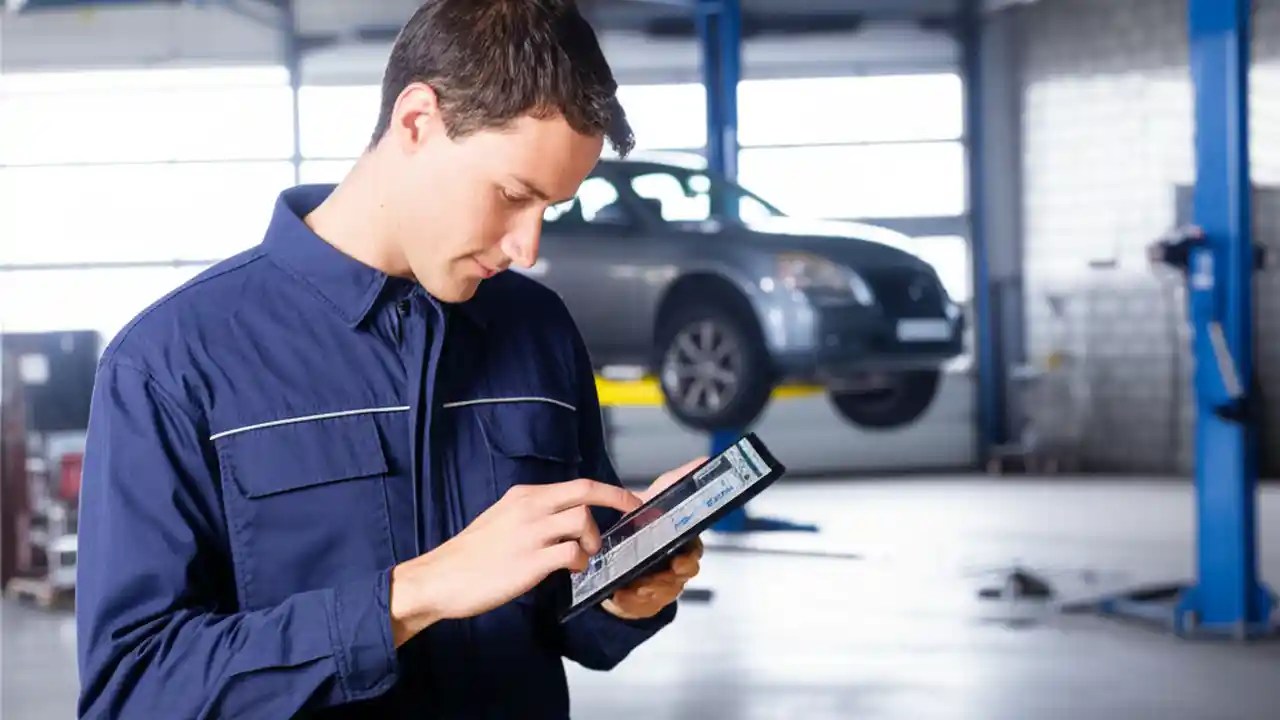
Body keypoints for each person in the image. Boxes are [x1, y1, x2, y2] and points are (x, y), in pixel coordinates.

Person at [74, 1, 705, 717]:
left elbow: (559, 608)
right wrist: (415, 594)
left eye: (549, 209)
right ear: (416, 122)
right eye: (511, 195)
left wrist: (623, 595)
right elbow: (134, 689)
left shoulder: (538, 330)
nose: (528, 247)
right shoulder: (170, 364)